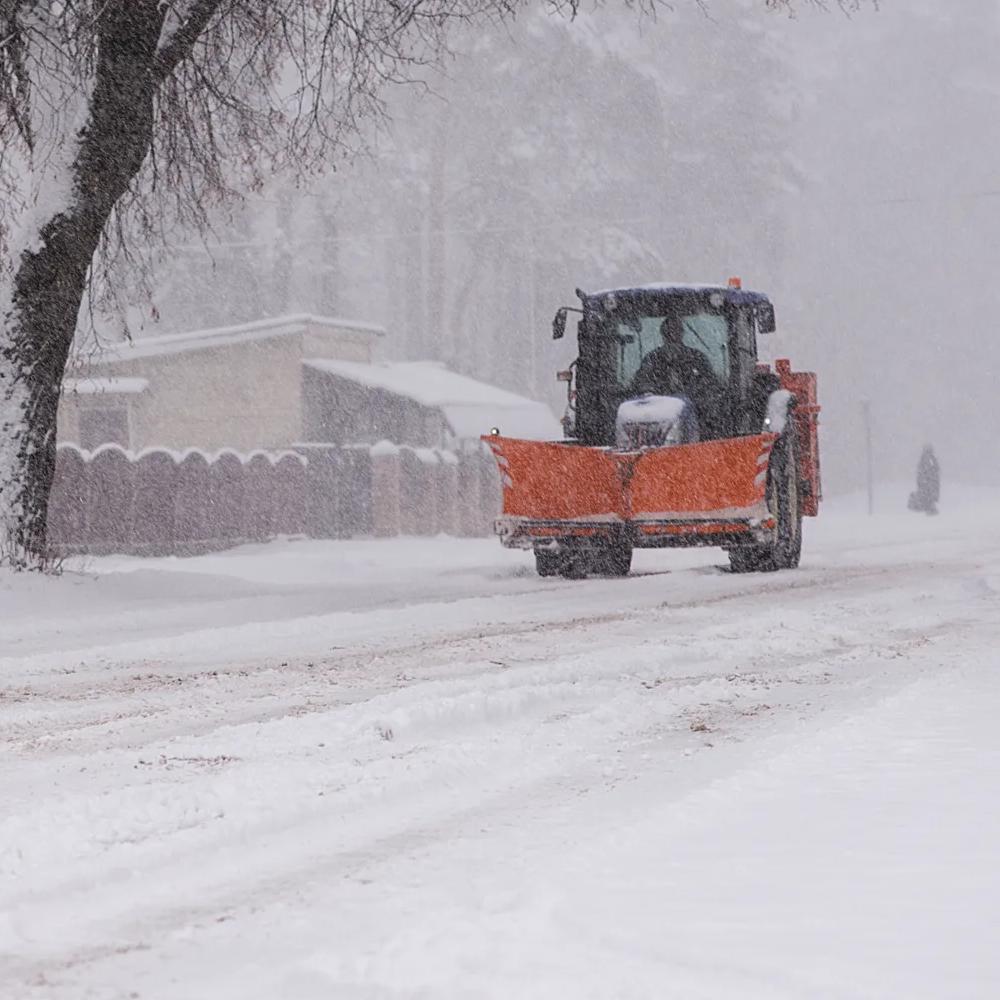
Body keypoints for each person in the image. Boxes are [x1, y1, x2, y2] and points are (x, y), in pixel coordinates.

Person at [627, 315, 727, 437]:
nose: (672, 336)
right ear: (663, 335)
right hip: (656, 424)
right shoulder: (651, 360)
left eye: (676, 332)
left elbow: (710, 388)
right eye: (668, 333)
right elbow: (641, 386)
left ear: (682, 334)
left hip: (698, 421)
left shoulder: (697, 359)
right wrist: (653, 395)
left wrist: (692, 400)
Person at [908, 444, 940, 515]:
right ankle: (928, 507)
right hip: (928, 483)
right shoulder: (929, 459)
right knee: (928, 496)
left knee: (927, 496)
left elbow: (922, 472)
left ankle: (928, 507)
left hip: (927, 483)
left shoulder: (928, 459)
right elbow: (934, 471)